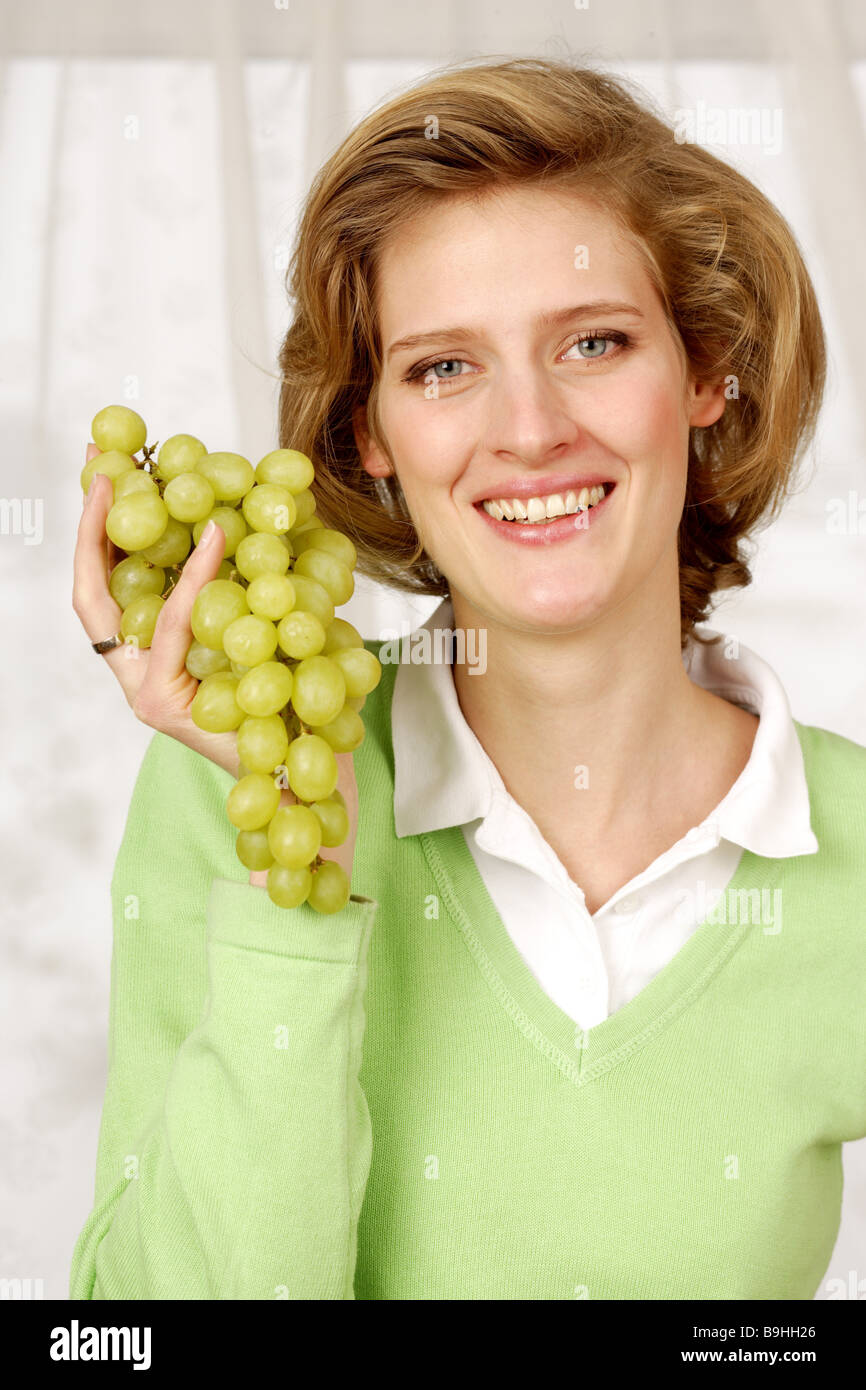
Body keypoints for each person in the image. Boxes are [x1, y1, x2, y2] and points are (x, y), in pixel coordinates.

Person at [70, 56, 866, 1301]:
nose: (530, 427)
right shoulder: (242, 787)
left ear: (705, 373)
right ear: (371, 437)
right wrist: (302, 878)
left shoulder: (851, 853)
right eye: (444, 366)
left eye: (593, 341)